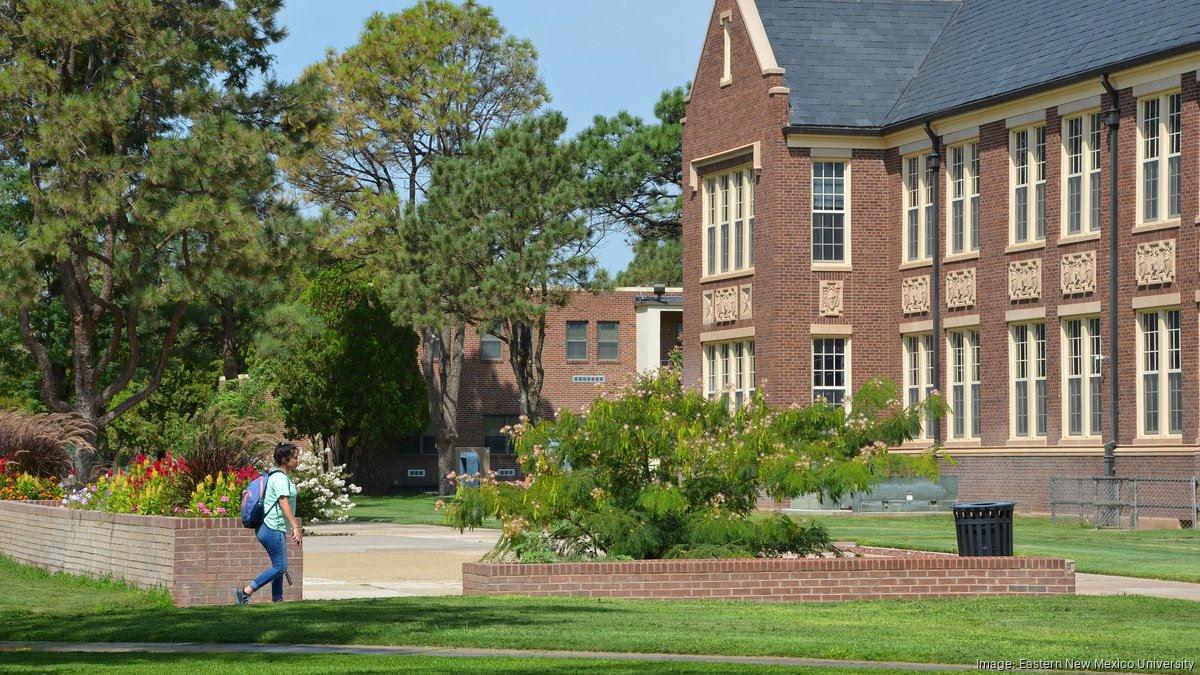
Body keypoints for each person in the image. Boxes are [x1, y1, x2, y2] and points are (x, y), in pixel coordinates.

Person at [236, 442, 301, 604]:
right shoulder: (279, 478)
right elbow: (283, 502)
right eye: (295, 458)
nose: (297, 460)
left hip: (270, 527)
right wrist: (295, 526)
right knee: (280, 566)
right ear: (285, 460)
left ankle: (277, 600)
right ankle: (245, 592)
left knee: (278, 566)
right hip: (272, 528)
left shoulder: (277, 476)